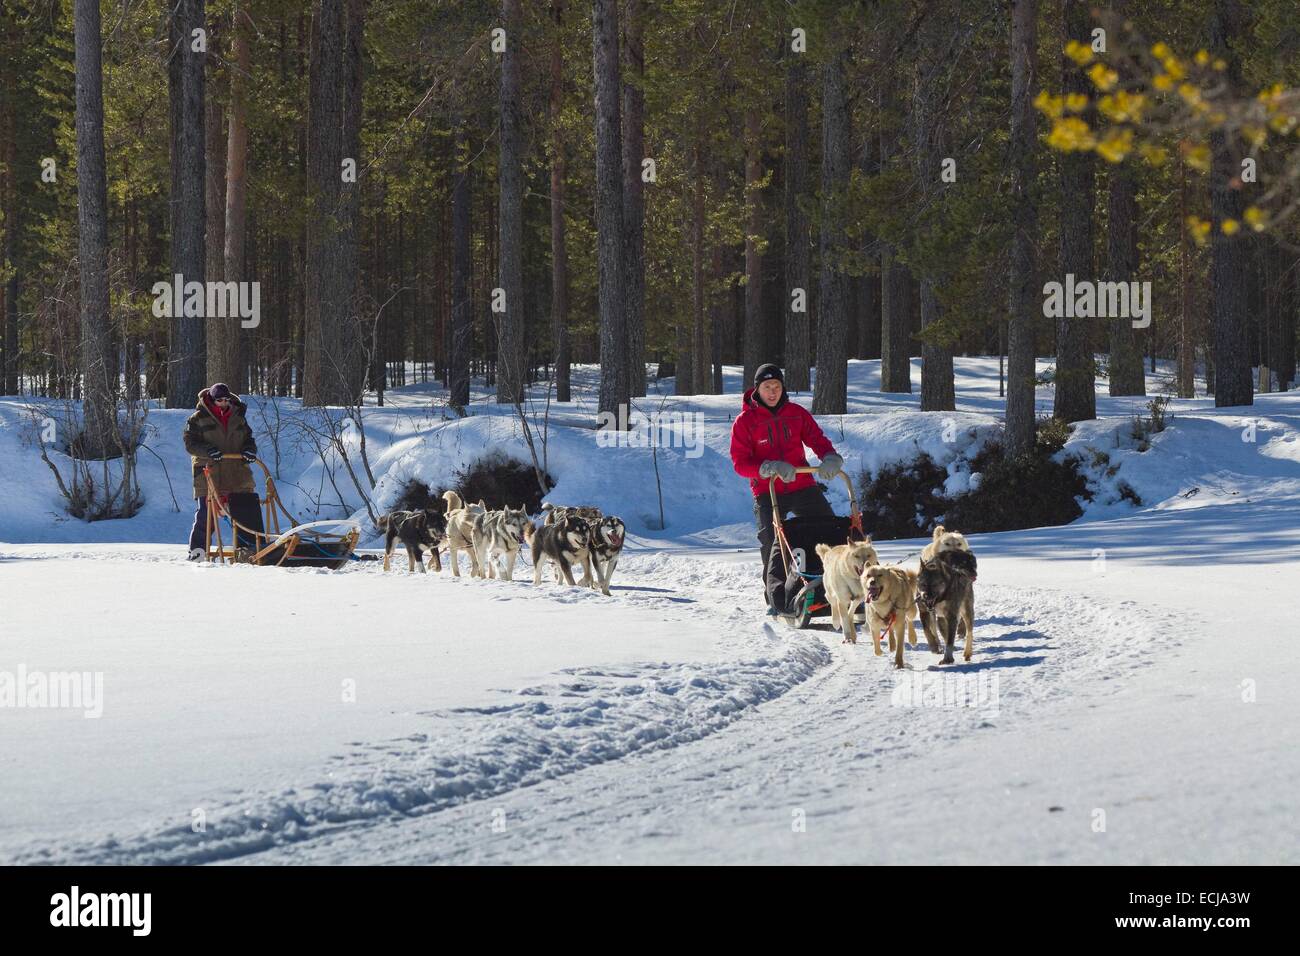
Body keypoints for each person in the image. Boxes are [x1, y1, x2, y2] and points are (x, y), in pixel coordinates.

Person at [729, 363, 844, 612]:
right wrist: (768, 467)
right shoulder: (744, 421)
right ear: (757, 389)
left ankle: (832, 585)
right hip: (767, 490)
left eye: (777, 387)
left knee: (829, 527)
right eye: (767, 387)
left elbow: (817, 439)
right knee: (772, 542)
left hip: (802, 484)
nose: (773, 392)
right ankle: (776, 597)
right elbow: (740, 463)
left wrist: (830, 456)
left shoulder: (796, 413)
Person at [183, 382, 264, 560]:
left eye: (226, 400)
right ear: (212, 400)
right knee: (207, 514)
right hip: (209, 473)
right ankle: (198, 552)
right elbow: (190, 444)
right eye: (220, 400)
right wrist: (208, 451)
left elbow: (248, 439)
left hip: (237, 473)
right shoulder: (197, 418)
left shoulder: (238, 417)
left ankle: (249, 550)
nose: (224, 403)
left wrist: (249, 451)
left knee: (245, 510)